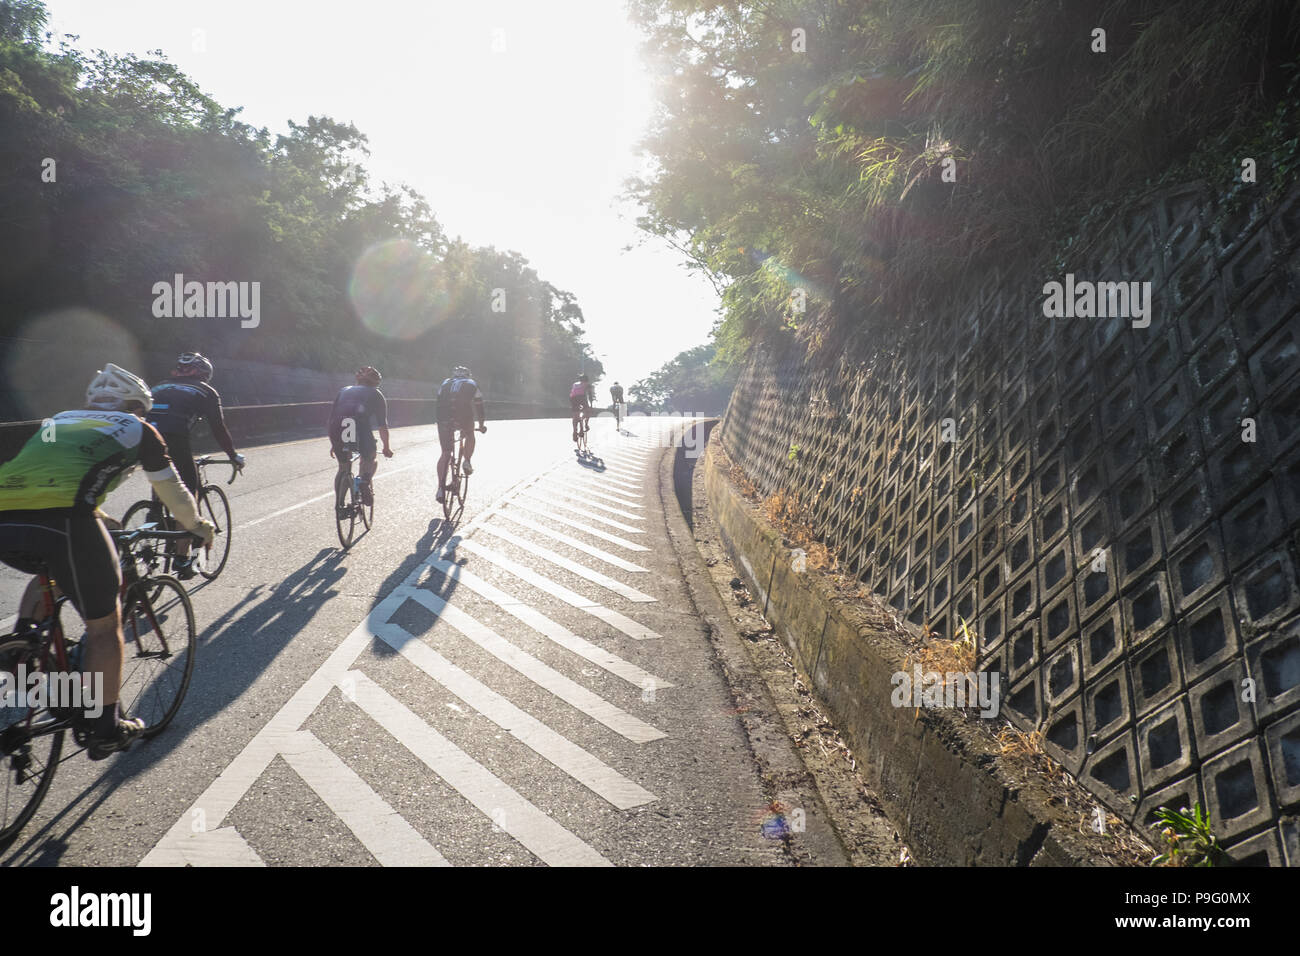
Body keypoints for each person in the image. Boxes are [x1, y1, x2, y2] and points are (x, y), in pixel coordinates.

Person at [0, 364, 216, 759]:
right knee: (104, 627)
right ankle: (104, 726)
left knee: (50, 572)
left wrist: (102, 518)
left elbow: (45, 478)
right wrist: (198, 526)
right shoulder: (138, 428)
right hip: (65, 522)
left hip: (6, 517)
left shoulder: (59, 421)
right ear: (137, 406)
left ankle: (25, 648)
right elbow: (173, 489)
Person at [146, 352, 244, 578]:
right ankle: (181, 559)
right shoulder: (206, 391)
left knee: (162, 479)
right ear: (205, 375)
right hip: (173, 439)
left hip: (142, 435)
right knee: (187, 497)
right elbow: (218, 428)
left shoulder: (159, 386)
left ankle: (153, 514)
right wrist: (233, 455)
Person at [328, 366, 393, 507]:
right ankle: (364, 480)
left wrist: (335, 443)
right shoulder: (376, 394)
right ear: (376, 383)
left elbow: (333, 417)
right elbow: (382, 426)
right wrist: (386, 447)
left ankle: (339, 504)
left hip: (337, 427)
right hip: (358, 425)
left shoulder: (343, 390)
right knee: (370, 456)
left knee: (343, 467)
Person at [435, 365, 486, 504]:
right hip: (464, 417)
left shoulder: (445, 383)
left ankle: (440, 488)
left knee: (445, 453)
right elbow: (479, 406)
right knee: (470, 435)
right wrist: (481, 425)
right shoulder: (472, 384)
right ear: (468, 375)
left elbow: (439, 402)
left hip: (444, 418)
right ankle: (467, 461)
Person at [569, 373, 595, 443]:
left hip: (573, 398)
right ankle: (585, 424)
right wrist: (591, 406)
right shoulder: (587, 384)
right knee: (587, 411)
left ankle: (574, 432)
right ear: (587, 380)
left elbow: (573, 392)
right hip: (582, 398)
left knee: (575, 415)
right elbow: (590, 396)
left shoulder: (575, 384)